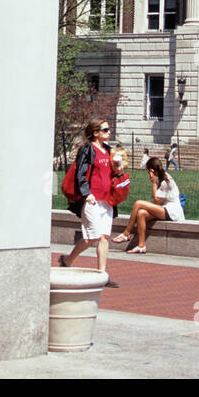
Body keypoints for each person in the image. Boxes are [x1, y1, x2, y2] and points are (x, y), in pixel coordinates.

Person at [59, 119, 117, 285]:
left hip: (107, 200)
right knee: (92, 236)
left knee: (104, 237)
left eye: (109, 129)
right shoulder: (87, 150)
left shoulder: (108, 150)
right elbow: (81, 174)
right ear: (95, 133)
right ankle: (68, 260)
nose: (109, 132)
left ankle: (102, 275)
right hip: (92, 200)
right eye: (105, 130)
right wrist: (86, 193)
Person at [112, 156, 183, 254]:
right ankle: (141, 246)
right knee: (141, 213)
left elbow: (156, 200)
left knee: (138, 203)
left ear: (151, 171)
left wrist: (153, 183)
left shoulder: (166, 180)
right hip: (164, 209)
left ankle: (126, 233)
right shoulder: (161, 178)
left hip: (172, 211)